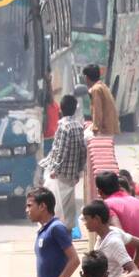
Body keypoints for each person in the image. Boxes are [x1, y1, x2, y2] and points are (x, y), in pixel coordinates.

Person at [42, 94, 88, 236]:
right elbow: (82, 151)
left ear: (60, 109)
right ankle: (67, 237)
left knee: (55, 208)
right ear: (74, 110)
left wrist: (54, 169)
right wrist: (79, 171)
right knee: (68, 210)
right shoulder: (78, 126)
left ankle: (56, 237)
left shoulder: (63, 127)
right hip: (71, 175)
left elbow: (60, 150)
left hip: (60, 174)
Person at [78, 201, 139, 277]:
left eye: (86, 219)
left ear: (97, 219)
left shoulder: (113, 242)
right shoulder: (113, 231)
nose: (85, 223)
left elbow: (136, 273)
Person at [94, 171, 139, 267]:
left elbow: (119, 233)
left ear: (99, 192)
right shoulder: (136, 202)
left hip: (123, 267)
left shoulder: (106, 205)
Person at [83, 64, 119, 137]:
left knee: (83, 137)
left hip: (104, 130)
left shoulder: (96, 90)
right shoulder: (102, 86)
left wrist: (95, 129)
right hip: (110, 128)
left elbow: (97, 111)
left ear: (86, 77)